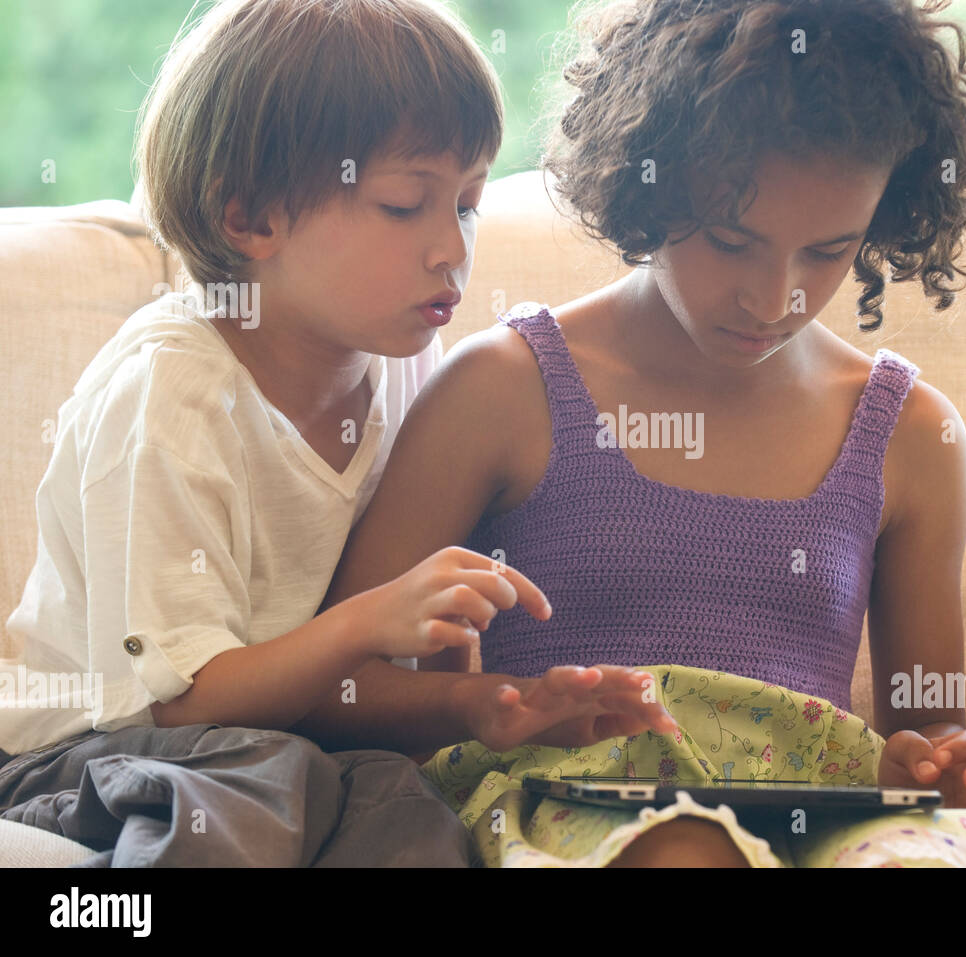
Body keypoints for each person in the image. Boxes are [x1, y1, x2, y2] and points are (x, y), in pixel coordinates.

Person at [321, 0, 966, 866]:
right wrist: (497, 702)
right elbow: (335, 687)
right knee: (686, 852)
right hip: (576, 809)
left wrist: (935, 775)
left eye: (827, 251)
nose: (774, 296)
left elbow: (927, 734)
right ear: (651, 184)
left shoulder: (911, 434)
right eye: (730, 240)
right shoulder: (503, 389)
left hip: (822, 821)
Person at [0, 0, 673, 868]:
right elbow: (182, 704)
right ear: (250, 220)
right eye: (404, 206)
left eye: (467, 205)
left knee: (415, 815)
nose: (450, 251)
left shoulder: (397, 364)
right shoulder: (172, 394)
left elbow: (353, 698)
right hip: (92, 752)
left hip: (286, 749)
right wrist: (368, 621)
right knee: (258, 791)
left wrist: (478, 702)